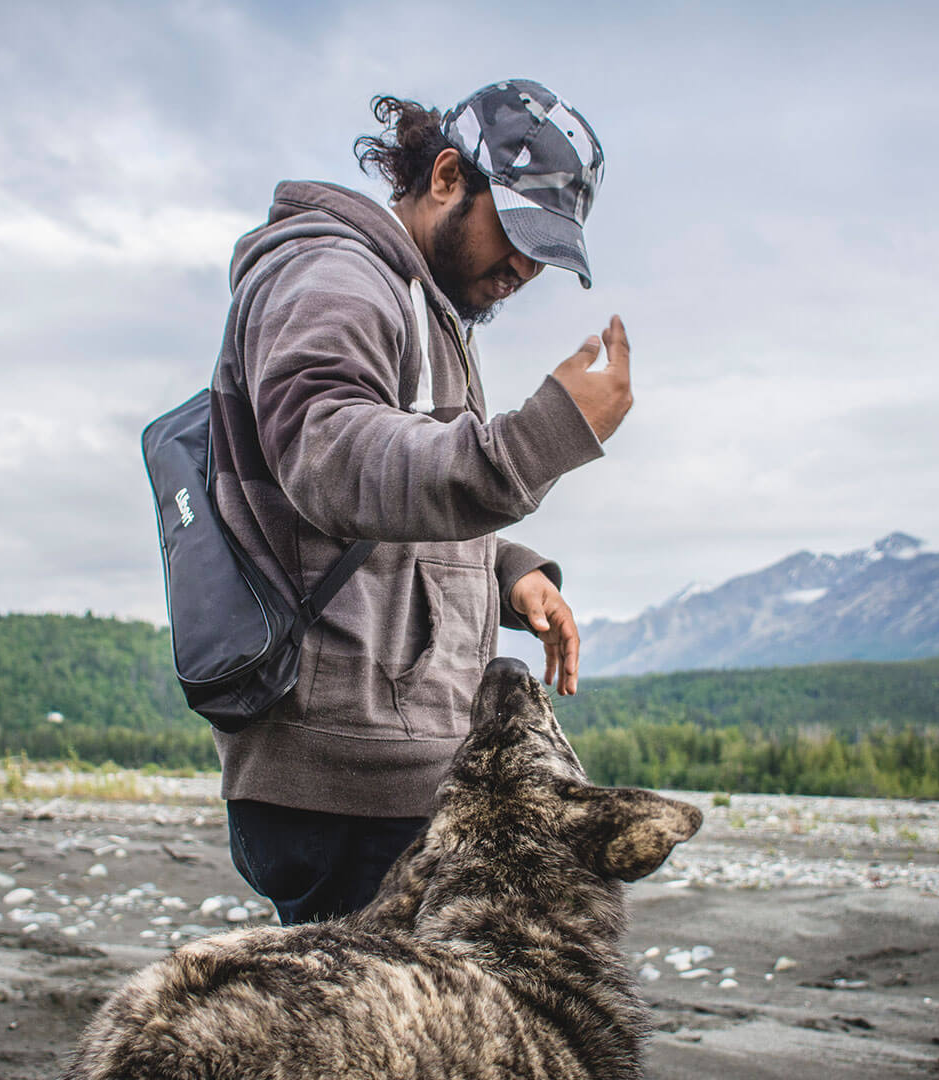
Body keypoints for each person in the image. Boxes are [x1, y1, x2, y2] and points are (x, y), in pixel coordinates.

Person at [208, 79, 632, 924]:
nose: (524, 268)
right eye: (515, 232)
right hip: (345, 784)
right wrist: (540, 438)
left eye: (546, 251)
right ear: (446, 177)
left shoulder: (416, 302)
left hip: (380, 766)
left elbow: (386, 497)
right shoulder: (336, 275)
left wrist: (509, 574)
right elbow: (328, 456)